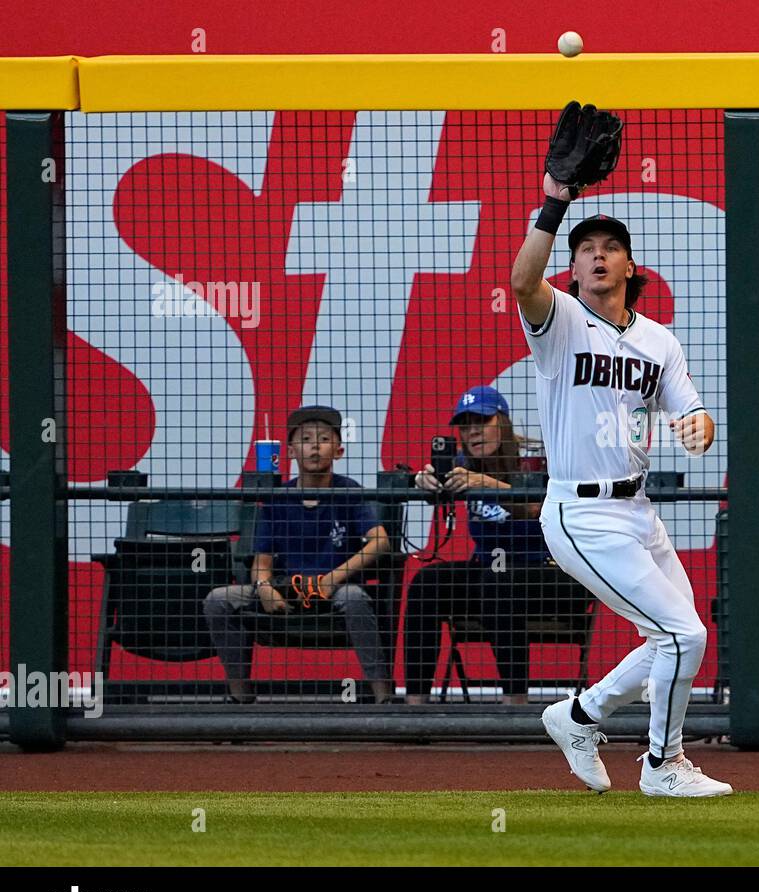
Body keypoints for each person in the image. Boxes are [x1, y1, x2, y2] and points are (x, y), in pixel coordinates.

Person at [512, 177, 732, 797]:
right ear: (574, 266)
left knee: (677, 634)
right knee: (682, 636)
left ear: (630, 265)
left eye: (611, 246)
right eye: (587, 249)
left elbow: (696, 414)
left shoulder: (659, 339)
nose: (599, 254)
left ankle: (578, 716)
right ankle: (663, 766)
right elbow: (523, 283)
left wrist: (699, 428)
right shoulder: (557, 322)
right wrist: (554, 203)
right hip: (580, 514)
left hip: (637, 508)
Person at [404, 385, 592, 705]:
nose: (472, 431)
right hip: (491, 572)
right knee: (426, 583)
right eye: (465, 425)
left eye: (481, 421)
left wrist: (486, 484)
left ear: (502, 422)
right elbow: (423, 481)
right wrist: (423, 481)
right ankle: (413, 708)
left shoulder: (538, 459)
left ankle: (515, 703)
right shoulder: (462, 464)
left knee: (497, 579)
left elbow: (534, 510)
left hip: (552, 574)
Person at [203, 405, 395, 703]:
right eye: (305, 439)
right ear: (291, 451)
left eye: (324, 439)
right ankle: (239, 696)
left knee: (355, 598)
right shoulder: (278, 499)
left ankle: (384, 696)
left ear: (339, 451)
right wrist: (264, 588)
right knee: (219, 599)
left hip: (334, 590)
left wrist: (332, 580)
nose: (315, 446)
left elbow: (380, 541)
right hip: (285, 589)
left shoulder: (349, 491)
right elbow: (261, 561)